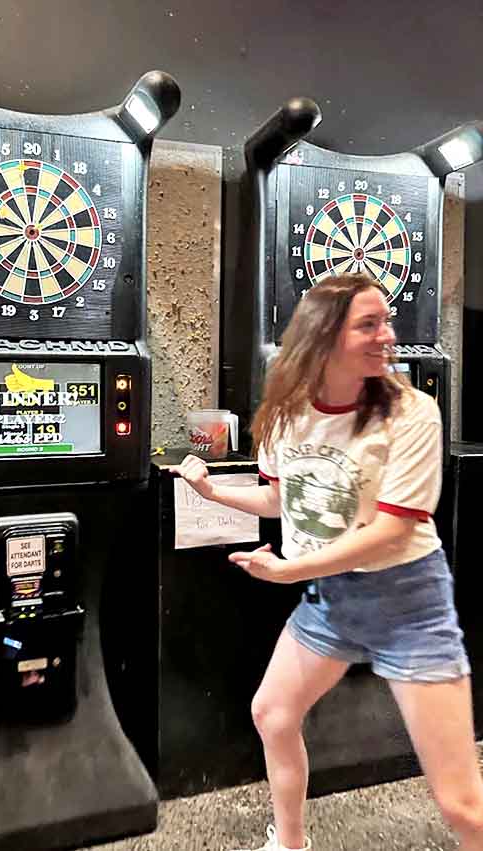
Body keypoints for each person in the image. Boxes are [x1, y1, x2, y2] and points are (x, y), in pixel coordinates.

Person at [170, 273, 483, 851]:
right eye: (369, 324)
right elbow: (280, 499)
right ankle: (290, 843)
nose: (388, 335)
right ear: (323, 335)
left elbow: (392, 531)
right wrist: (212, 492)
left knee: (460, 803)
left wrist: (291, 571)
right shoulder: (286, 414)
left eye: (387, 321)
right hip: (332, 599)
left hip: (408, 601)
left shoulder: (412, 412)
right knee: (272, 713)